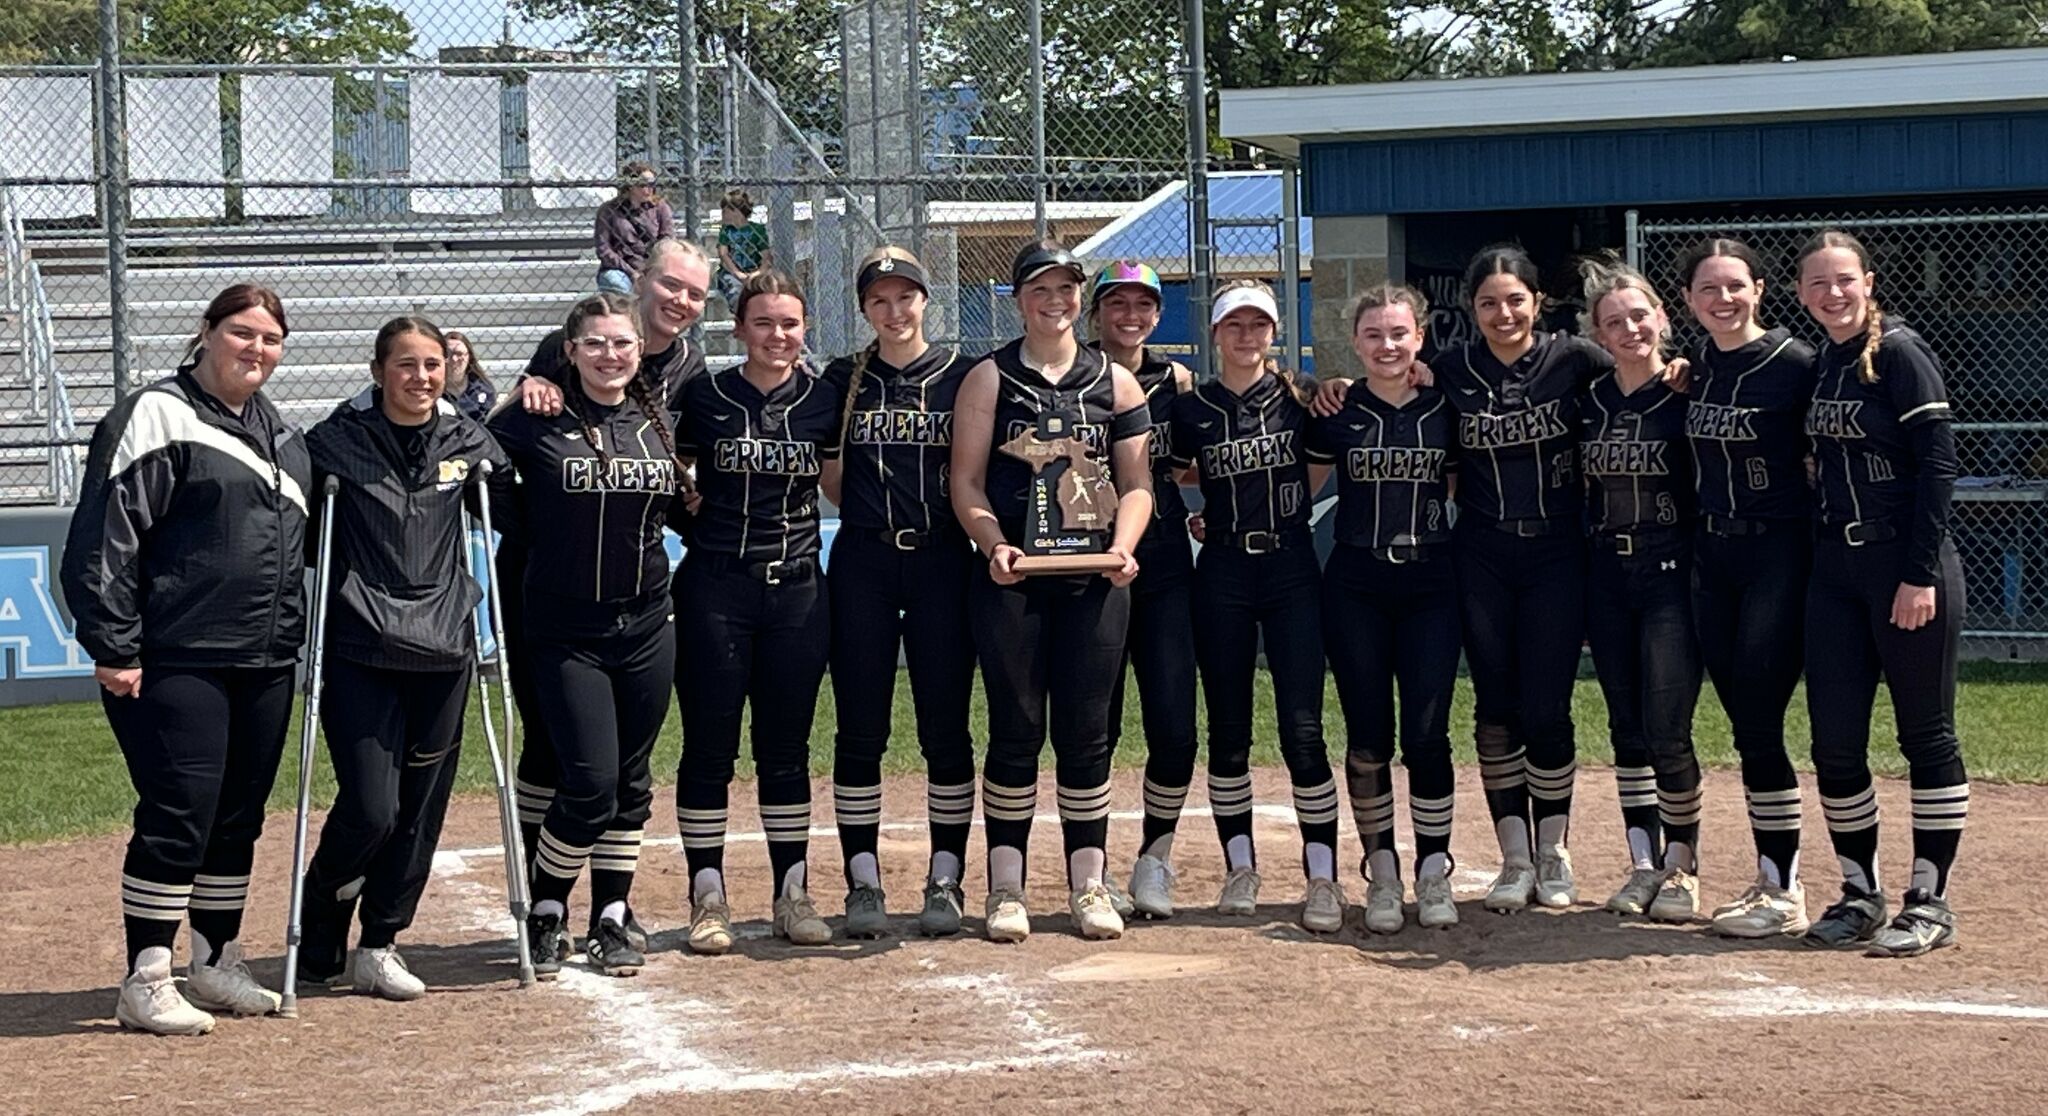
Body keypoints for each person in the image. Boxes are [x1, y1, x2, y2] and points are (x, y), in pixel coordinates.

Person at [61, 284, 310, 1035]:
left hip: (265, 659)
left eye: (270, 339)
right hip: (174, 658)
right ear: (206, 333)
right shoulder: (155, 413)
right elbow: (106, 535)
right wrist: (114, 644)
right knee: (180, 813)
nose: (255, 349)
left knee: (238, 818)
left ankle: (214, 959)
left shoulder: (287, 436)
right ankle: (146, 975)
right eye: (241, 333)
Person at [502, 236, 711, 953]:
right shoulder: (539, 412)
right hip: (562, 619)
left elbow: (686, 499)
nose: (613, 354)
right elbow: (480, 473)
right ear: (571, 348)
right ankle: (549, 903)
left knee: (629, 779)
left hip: (649, 618)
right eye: (597, 344)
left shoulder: (659, 413)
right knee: (584, 779)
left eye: (622, 344)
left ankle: (613, 913)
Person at [297, 317, 509, 1000]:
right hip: (361, 645)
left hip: (443, 647)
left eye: (434, 364)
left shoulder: (467, 440)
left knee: (418, 808)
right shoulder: (334, 443)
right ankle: (323, 906)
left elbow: (511, 500)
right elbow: (302, 535)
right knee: (372, 806)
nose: (421, 377)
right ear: (378, 370)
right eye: (406, 365)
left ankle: (381, 940)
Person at [949, 240, 1153, 943]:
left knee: (1087, 734)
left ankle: (1088, 883)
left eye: (1067, 288)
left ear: (1080, 298)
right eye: (1041, 288)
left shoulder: (1116, 383)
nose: (1056, 301)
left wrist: (1123, 547)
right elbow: (967, 483)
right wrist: (992, 543)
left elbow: (1138, 487)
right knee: (1015, 730)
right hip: (1015, 580)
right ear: (1018, 299)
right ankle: (1006, 888)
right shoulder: (990, 378)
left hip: (1093, 582)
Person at [1794, 230, 1969, 957]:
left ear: (1867, 281)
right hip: (1836, 570)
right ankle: (1859, 893)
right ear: (1800, 294)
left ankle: (1929, 898)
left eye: (1844, 280)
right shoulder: (1822, 362)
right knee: (1834, 742)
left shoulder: (1897, 350)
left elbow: (1939, 467)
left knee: (1923, 733)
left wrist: (1920, 574)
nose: (1833, 294)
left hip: (1904, 564)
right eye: (1818, 284)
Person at [672, 270, 844, 952]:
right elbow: (674, 483)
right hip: (717, 584)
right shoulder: (705, 395)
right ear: (739, 328)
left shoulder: (823, 398)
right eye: (764, 322)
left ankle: (791, 893)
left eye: (790, 324)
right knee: (709, 746)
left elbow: (837, 485)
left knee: (785, 747)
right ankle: (707, 895)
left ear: (806, 330)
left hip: (798, 588)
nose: (778, 335)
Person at [1440, 245, 1611, 913]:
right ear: (1472, 309)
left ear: (1538, 303)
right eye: (1488, 302)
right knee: (1495, 707)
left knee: (1547, 707)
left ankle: (1553, 850)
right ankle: (1514, 855)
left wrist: (1676, 368)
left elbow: (1638, 375)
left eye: (1516, 299)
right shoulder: (1452, 369)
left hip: (1557, 553)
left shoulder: (1574, 358)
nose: (1503, 312)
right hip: (1481, 554)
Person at [1171, 281, 1341, 933]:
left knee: (1303, 727)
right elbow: (1182, 471)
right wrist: (1218, 513)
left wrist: (1279, 511)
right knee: (1230, 728)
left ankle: (1321, 875)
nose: (1247, 336)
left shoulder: (1303, 395)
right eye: (1233, 325)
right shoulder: (1197, 407)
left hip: (1292, 565)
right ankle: (1240, 867)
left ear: (1274, 330)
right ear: (1215, 334)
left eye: (1258, 325)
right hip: (1224, 571)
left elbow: (1318, 468)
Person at [822, 248, 980, 938]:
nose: (895, 311)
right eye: (880, 300)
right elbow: (830, 471)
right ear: (864, 309)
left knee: (944, 723)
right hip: (863, 559)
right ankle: (863, 880)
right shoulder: (842, 378)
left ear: (926, 301)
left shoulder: (962, 376)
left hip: (943, 558)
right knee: (861, 725)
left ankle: (946, 875)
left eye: (906, 297)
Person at [1677, 238, 1819, 938]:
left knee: (1761, 718)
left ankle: (1784, 885)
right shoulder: (1699, 365)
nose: (1723, 299)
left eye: (1735, 286)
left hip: (1777, 553)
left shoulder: (1795, 365)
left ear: (1761, 289)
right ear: (1689, 301)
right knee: (1745, 720)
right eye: (1709, 289)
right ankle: (1775, 877)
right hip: (1713, 555)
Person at [1311, 285, 1461, 934]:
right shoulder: (1338, 409)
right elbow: (1298, 485)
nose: (1388, 345)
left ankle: (1433, 870)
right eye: (1373, 335)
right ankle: (1383, 869)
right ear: (1355, 343)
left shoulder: (1444, 405)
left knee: (1427, 735)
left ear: (1420, 338)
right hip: (1357, 583)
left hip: (1432, 581)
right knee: (1369, 738)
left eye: (1399, 333)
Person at [1574, 260, 1706, 924]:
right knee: (1625, 727)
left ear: (1663, 317)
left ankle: (1682, 866)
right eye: (1613, 321)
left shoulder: (1690, 389)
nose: (1629, 328)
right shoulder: (1590, 399)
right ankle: (1642, 863)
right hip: (1606, 568)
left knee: (1667, 727)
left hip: (1670, 570)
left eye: (1639, 315)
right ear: (1597, 333)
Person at [1086, 261, 1199, 919]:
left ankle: (1154, 858)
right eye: (1116, 302)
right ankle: (1092, 866)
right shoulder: (1072, 376)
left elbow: (1192, 458)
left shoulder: (1177, 381)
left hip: (1160, 564)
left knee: (1175, 727)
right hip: (1087, 566)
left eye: (1143, 304)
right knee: (1094, 724)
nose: (1130, 315)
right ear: (1096, 311)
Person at [595, 161, 675, 295]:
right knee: (616, 283)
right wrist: (632, 273)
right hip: (620, 268)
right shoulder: (609, 210)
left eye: (652, 184)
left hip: (651, 266)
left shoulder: (660, 208)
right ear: (630, 185)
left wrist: (650, 269)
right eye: (643, 185)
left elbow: (667, 238)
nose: (648, 189)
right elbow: (604, 250)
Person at [714, 188, 772, 308]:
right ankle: (742, 313)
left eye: (725, 212)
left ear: (736, 211)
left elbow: (766, 255)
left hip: (754, 271)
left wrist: (758, 273)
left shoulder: (757, 230)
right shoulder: (726, 231)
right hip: (731, 272)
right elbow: (724, 255)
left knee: (764, 290)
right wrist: (738, 274)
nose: (722, 215)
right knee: (735, 292)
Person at [444, 330, 496, 421]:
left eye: (459, 354)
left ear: (469, 357)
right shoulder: (432, 390)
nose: (454, 359)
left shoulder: (483, 390)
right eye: (448, 354)